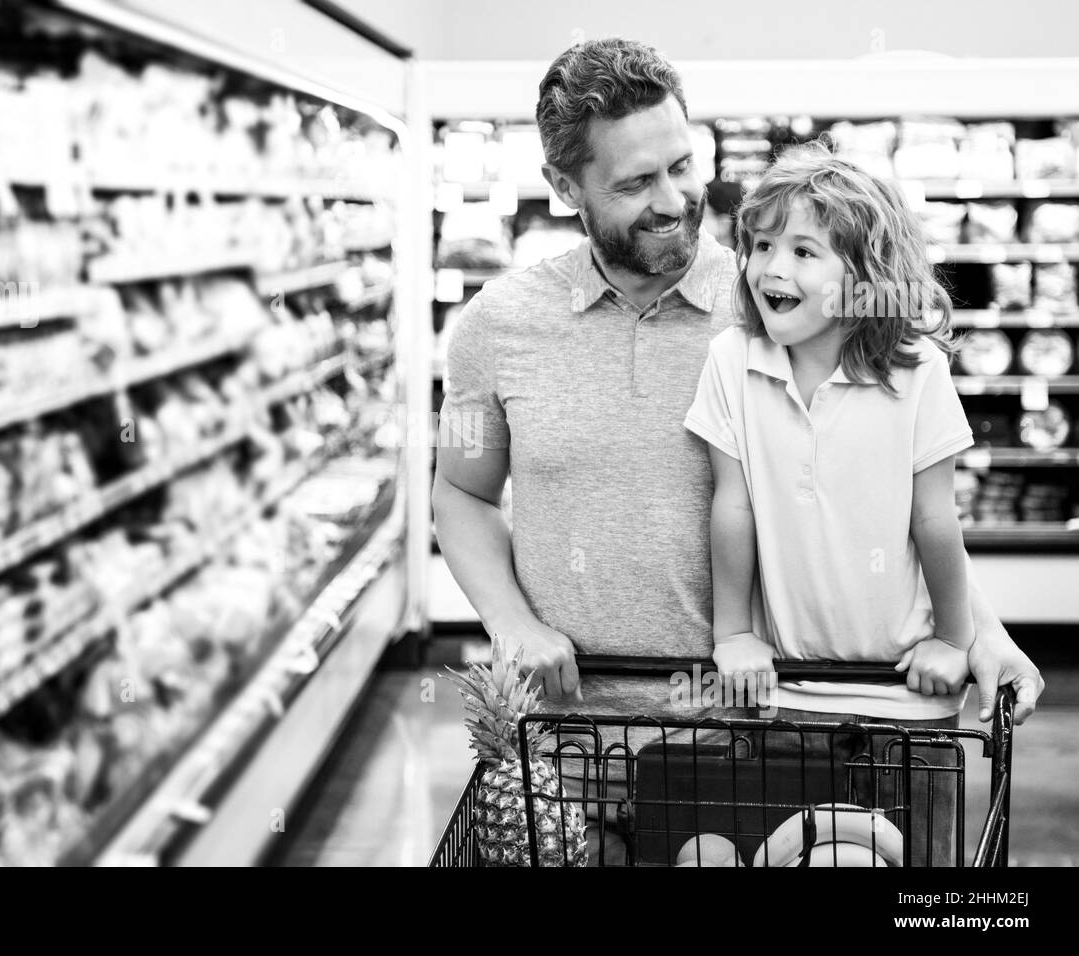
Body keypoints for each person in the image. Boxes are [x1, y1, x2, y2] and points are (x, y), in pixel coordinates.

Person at [431, 38, 1045, 865]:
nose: (674, 199)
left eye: (684, 165)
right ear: (563, 186)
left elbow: (887, 501)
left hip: (750, 740)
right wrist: (508, 622)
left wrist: (983, 633)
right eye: (635, 183)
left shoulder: (778, 308)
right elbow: (460, 492)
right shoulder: (492, 328)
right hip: (570, 743)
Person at [684, 143, 982, 864]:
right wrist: (733, 636)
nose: (771, 268)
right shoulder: (733, 359)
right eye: (759, 246)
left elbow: (935, 520)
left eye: (804, 251)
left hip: (909, 704)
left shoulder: (917, 371)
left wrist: (953, 638)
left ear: (864, 278)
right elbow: (734, 506)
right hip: (786, 700)